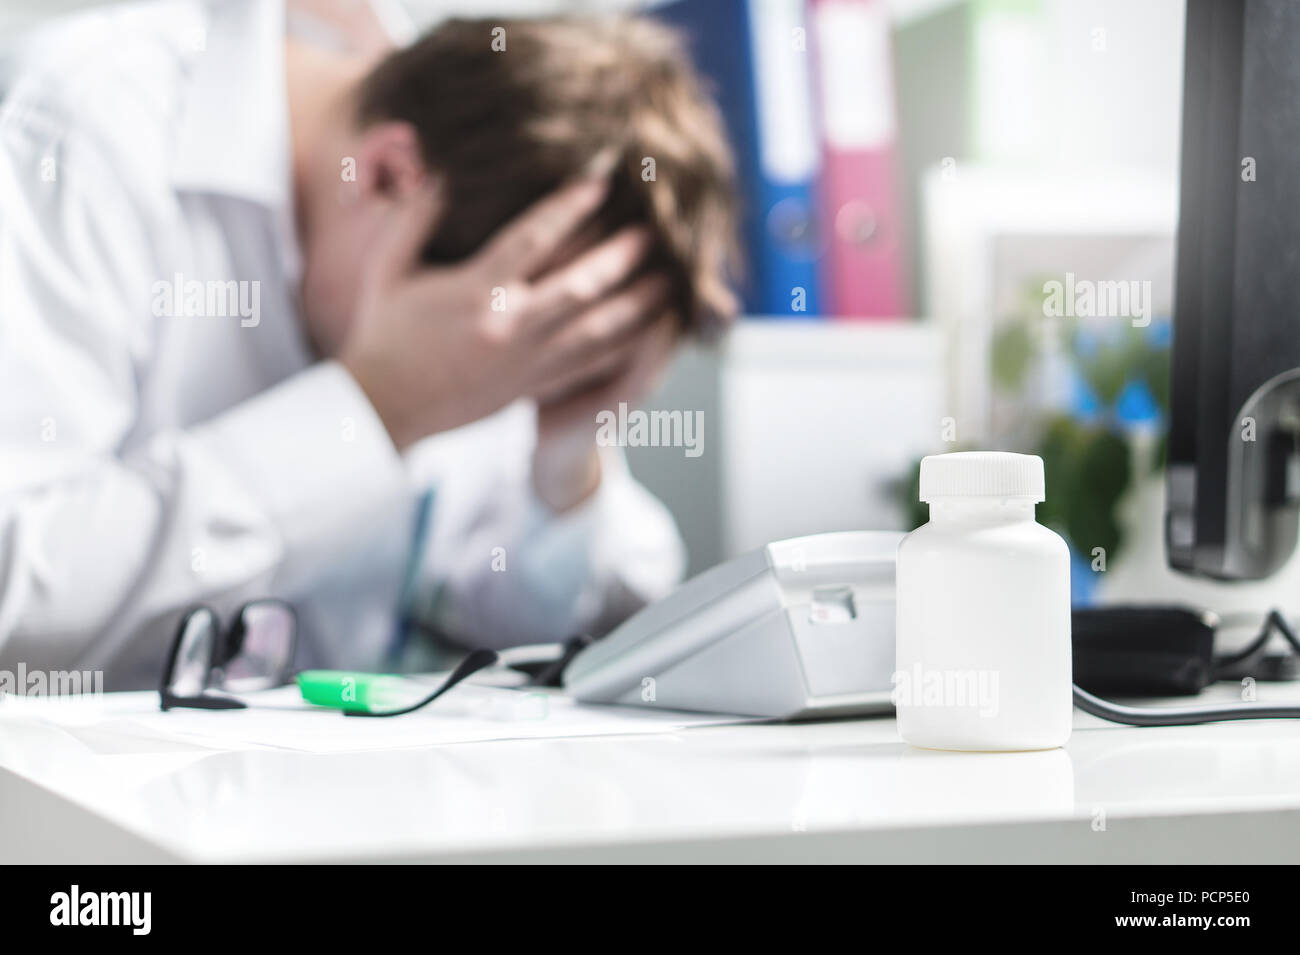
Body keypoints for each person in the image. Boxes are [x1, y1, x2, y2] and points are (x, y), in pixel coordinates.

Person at [0, 0, 738, 687]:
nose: (492, 389)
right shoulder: (79, 128)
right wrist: (377, 405)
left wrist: (566, 463)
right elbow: (18, 609)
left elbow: (525, 612)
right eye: (491, 365)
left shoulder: (487, 169)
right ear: (385, 177)